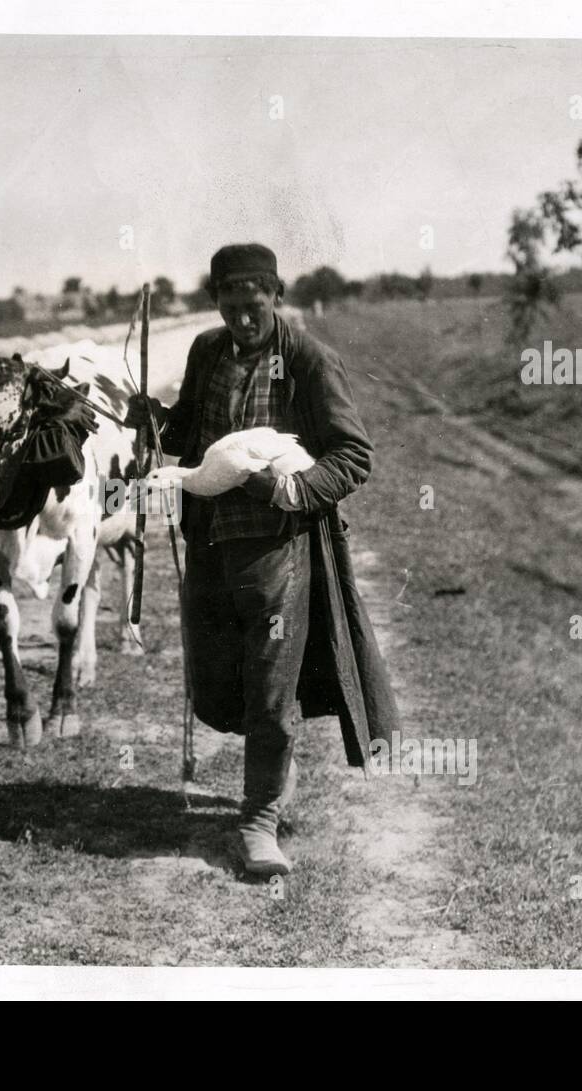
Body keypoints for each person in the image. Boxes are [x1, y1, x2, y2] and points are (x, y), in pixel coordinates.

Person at [125, 243, 399, 876]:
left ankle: (258, 824)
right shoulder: (206, 352)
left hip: (281, 551)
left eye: (254, 305)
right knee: (221, 688)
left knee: (272, 691)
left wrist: (288, 490)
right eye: (229, 304)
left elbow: (353, 455)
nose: (243, 318)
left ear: (275, 296)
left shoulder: (308, 359)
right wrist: (154, 421)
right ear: (216, 300)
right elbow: (189, 431)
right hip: (213, 545)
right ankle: (275, 771)